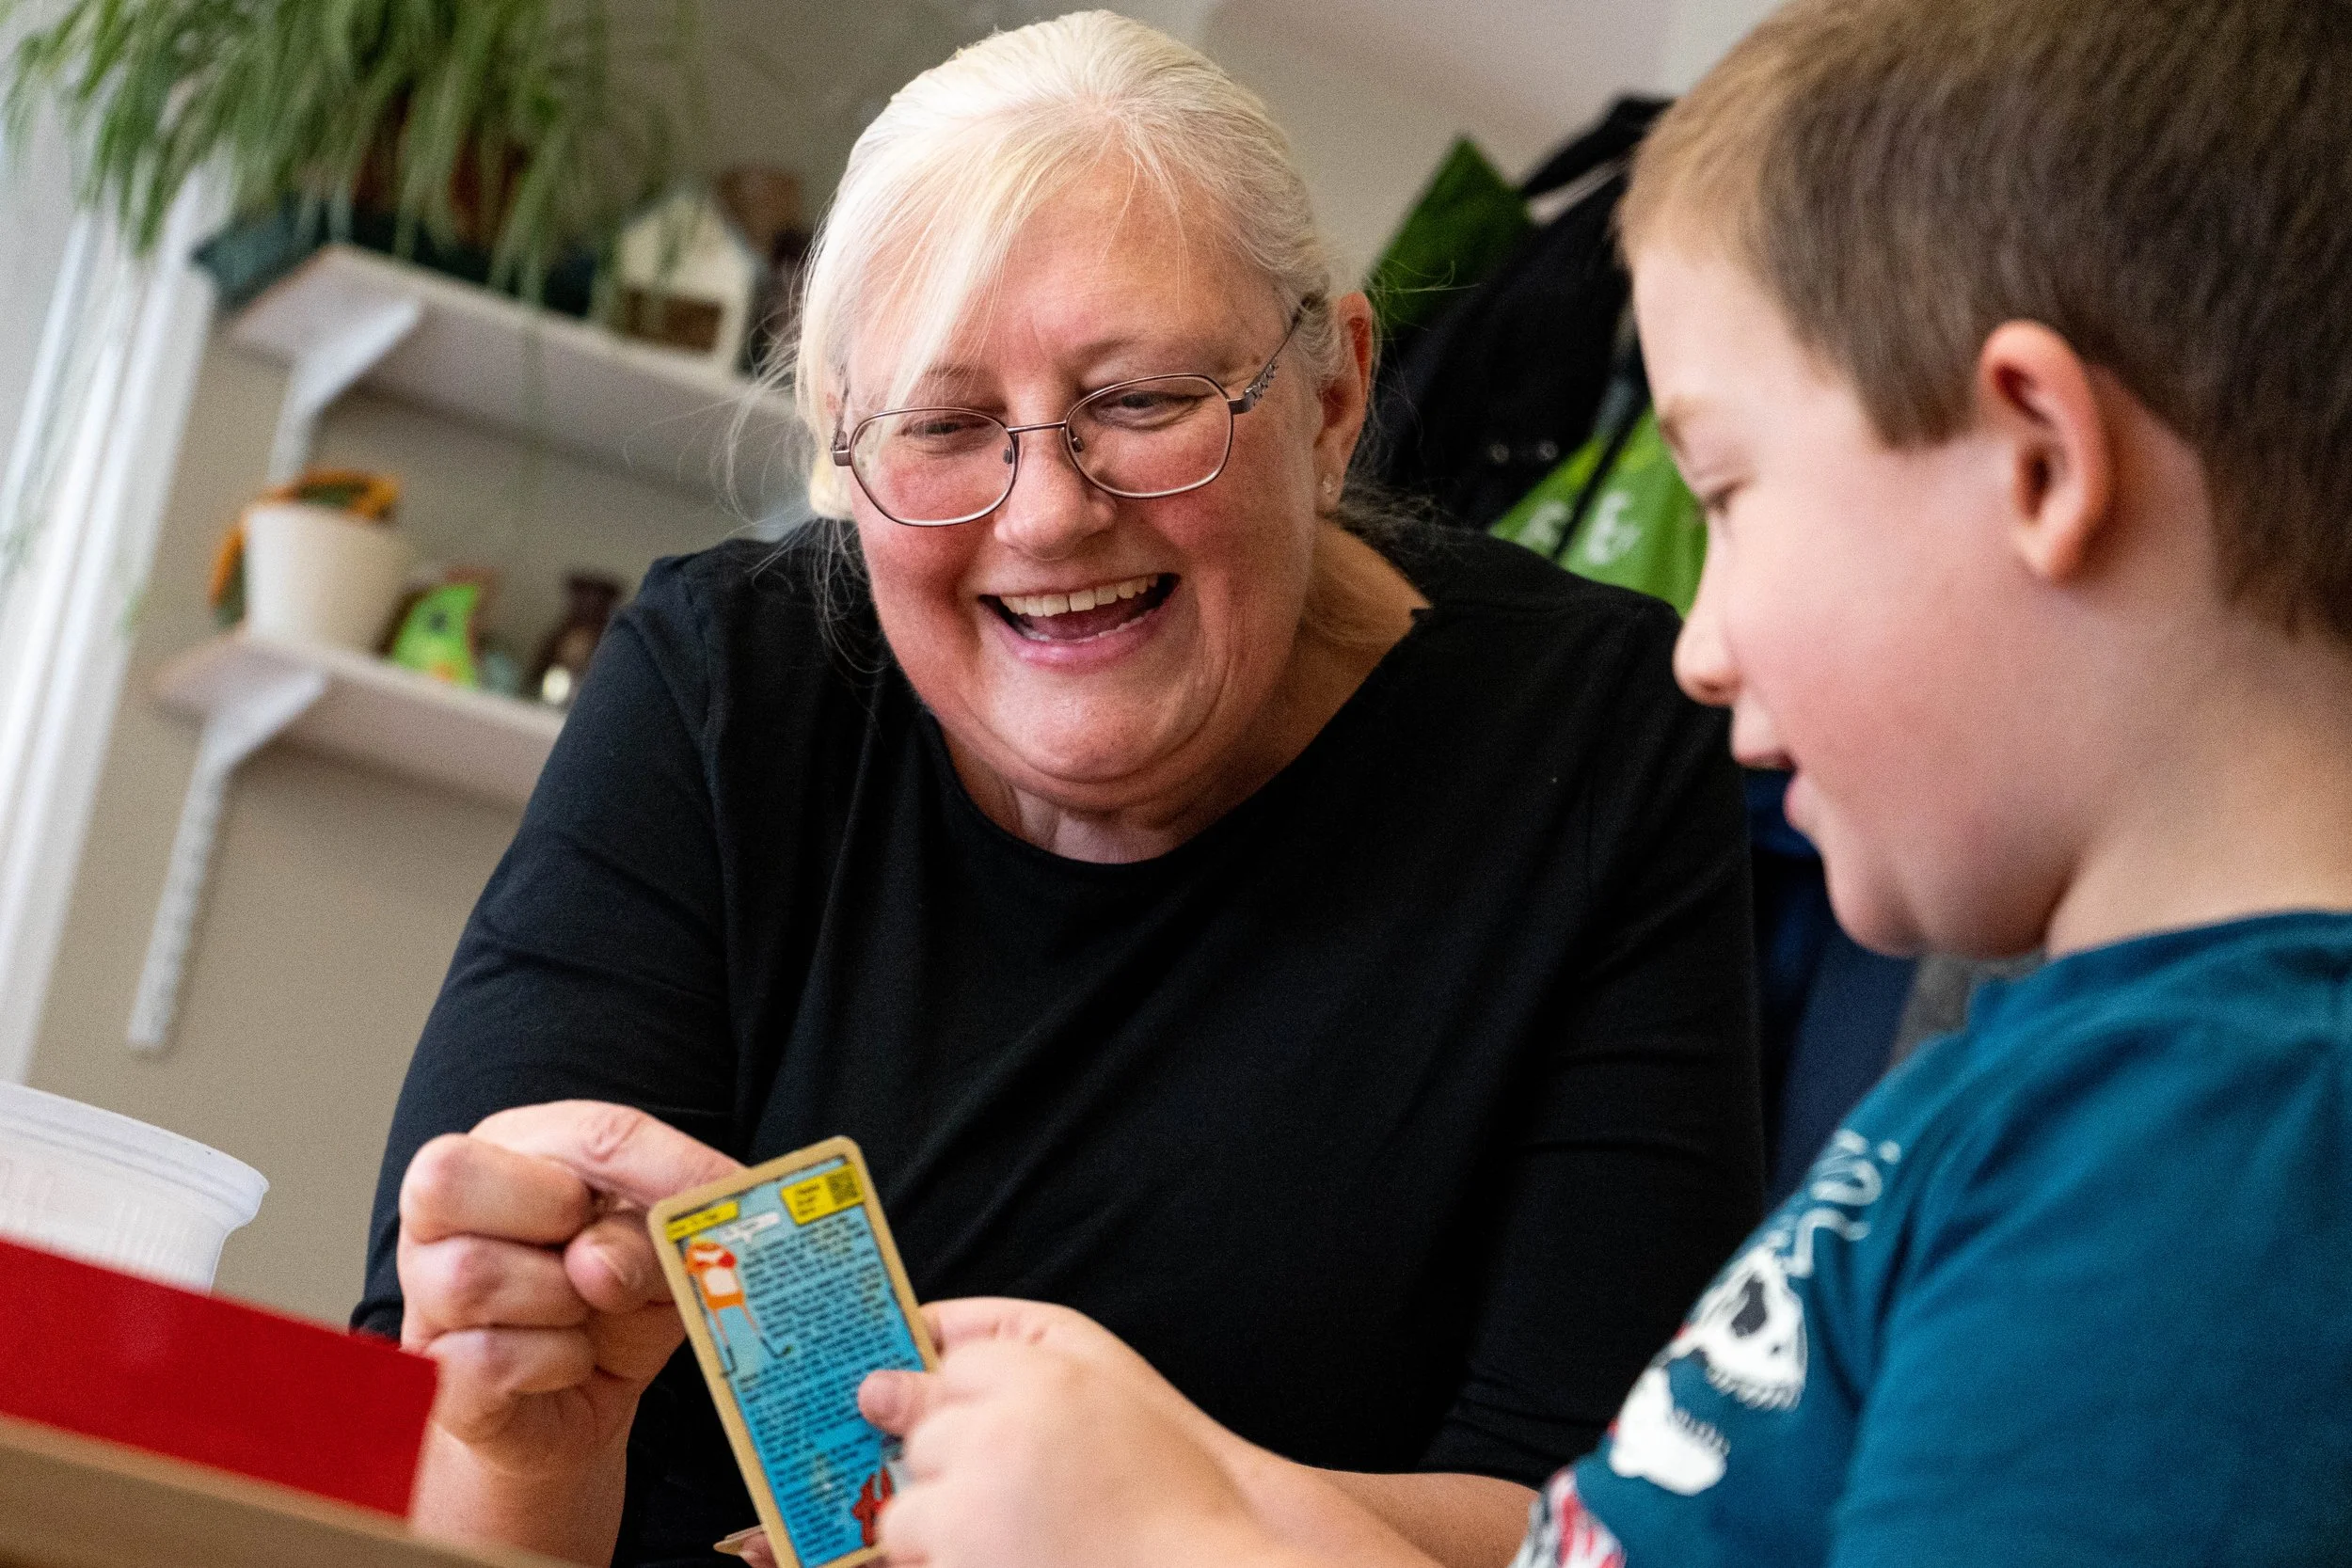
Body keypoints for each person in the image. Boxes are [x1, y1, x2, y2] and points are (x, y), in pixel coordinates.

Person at [849, 0, 2352, 1563]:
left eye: (1728, 496)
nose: (1697, 646)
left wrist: (1170, 1543)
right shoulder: (2064, 1098)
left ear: (2038, 462)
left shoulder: (2226, 1168)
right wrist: (1183, 1476)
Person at [360, 12, 1765, 1566]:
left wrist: (1130, 1516)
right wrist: (530, 1439)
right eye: (944, 427)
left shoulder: (1601, 743)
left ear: (1334, 399)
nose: (1044, 515)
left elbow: (1593, 1526)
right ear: (845, 457)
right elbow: (424, 1448)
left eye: (1144, 400)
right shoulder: (720, 693)